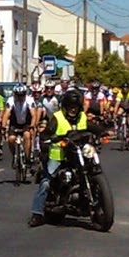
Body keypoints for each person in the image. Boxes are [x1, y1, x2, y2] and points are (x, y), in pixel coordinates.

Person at [29, 87, 89, 227]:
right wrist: (49, 140)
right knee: (45, 182)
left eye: (75, 107)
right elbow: (46, 134)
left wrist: (104, 131)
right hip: (59, 155)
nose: (73, 110)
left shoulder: (82, 117)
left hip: (78, 154)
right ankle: (36, 214)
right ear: (65, 107)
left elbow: (90, 128)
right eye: (70, 107)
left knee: (92, 169)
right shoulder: (57, 117)